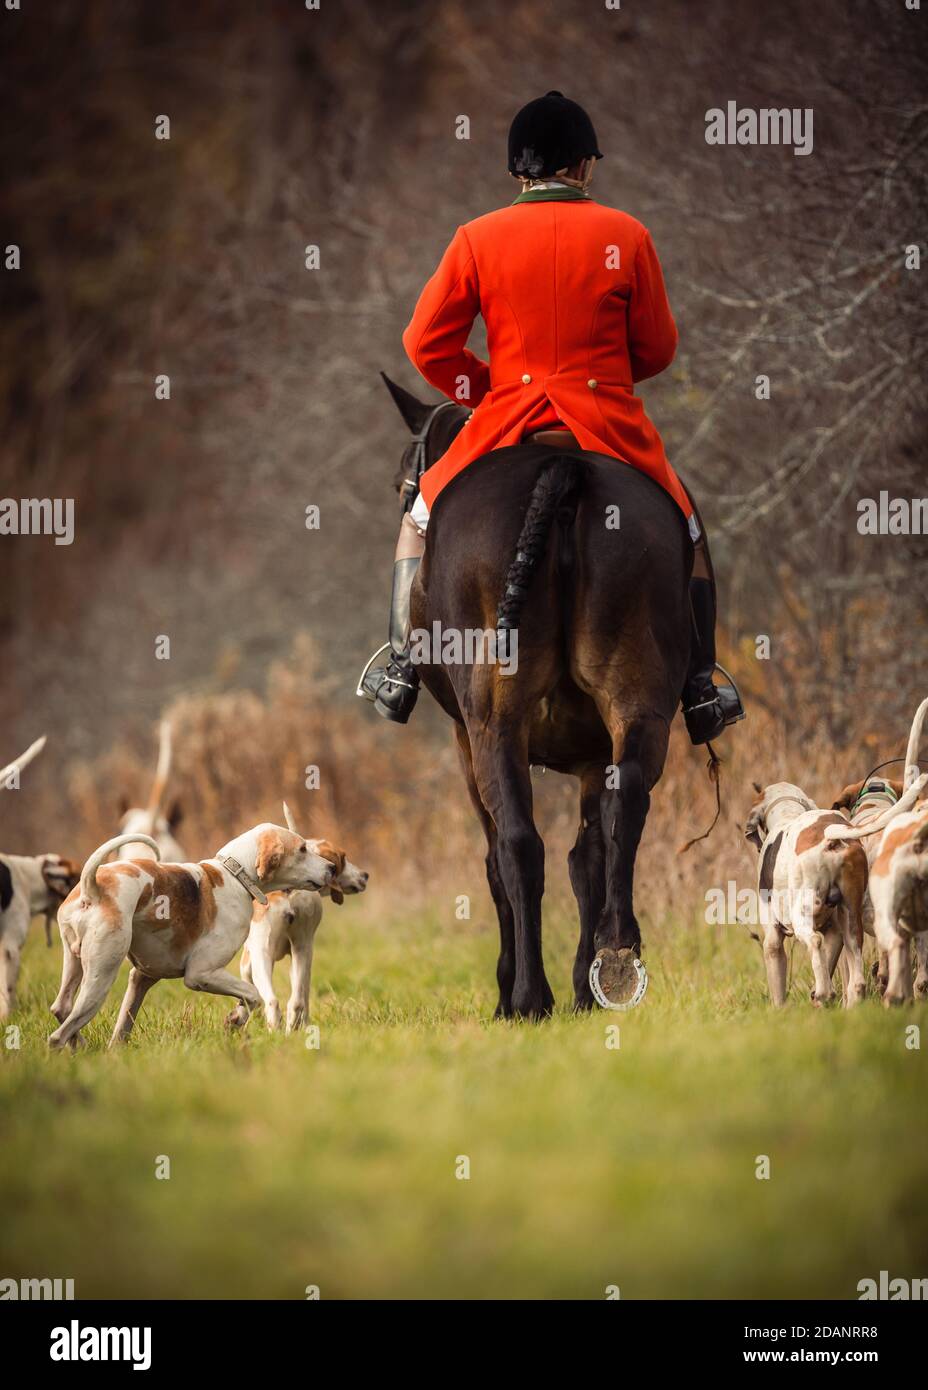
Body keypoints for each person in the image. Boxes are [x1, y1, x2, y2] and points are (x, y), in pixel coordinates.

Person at [359, 91, 744, 744]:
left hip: (506, 417)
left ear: (518, 172)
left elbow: (424, 342)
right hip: (606, 422)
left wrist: (486, 388)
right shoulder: (627, 236)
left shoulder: (477, 238)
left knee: (420, 517)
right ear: (584, 167)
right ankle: (702, 684)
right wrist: (608, 386)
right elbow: (657, 347)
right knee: (685, 522)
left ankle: (398, 664)